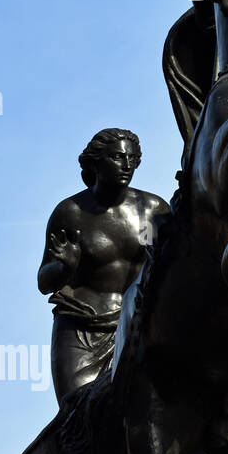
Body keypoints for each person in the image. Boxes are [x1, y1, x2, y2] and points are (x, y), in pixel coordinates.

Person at [38, 128, 170, 406]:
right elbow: (44, 282)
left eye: (133, 158)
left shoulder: (154, 210)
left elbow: (174, 269)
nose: (127, 165)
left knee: (147, 411)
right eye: (117, 157)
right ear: (97, 162)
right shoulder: (71, 212)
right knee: (78, 413)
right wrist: (64, 267)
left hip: (136, 325)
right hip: (81, 329)